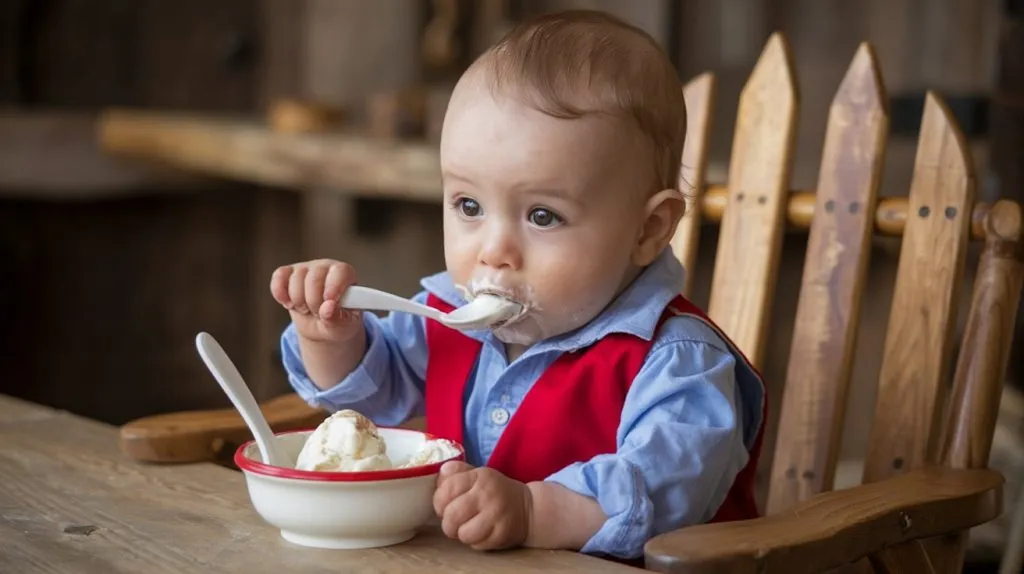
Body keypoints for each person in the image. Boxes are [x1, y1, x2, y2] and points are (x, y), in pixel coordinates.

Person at [269, 9, 765, 562]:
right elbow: (375, 399)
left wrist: (533, 510)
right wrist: (332, 340)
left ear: (647, 230)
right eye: (469, 206)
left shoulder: (677, 364)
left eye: (543, 216)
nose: (493, 250)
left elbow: (663, 489)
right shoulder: (443, 313)